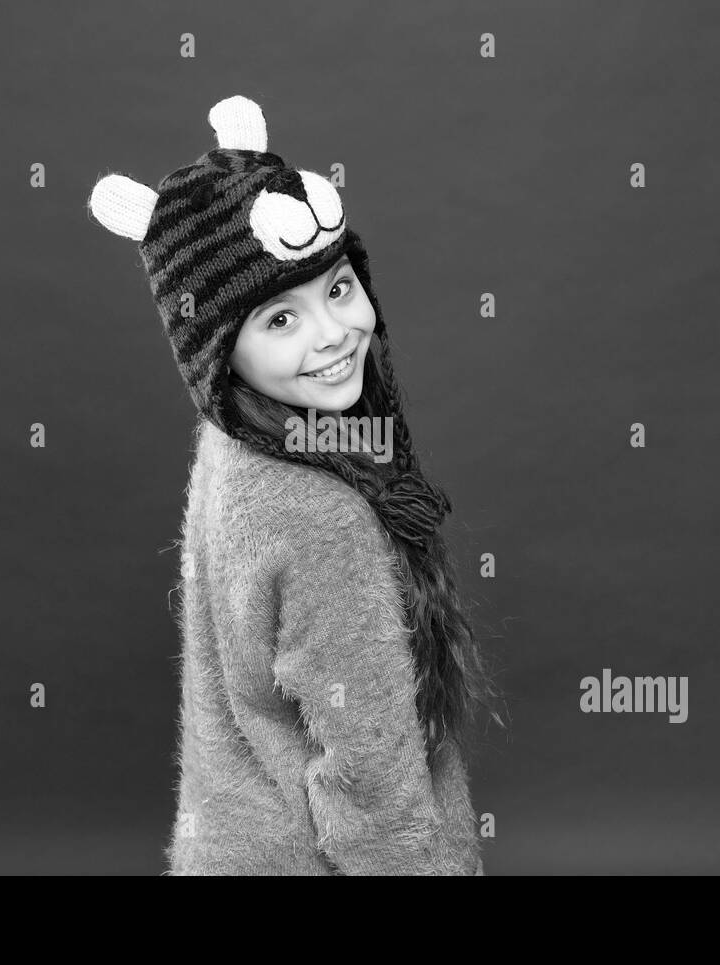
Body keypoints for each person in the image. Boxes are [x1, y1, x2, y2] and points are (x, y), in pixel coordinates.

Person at [89, 94, 505, 875]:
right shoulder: (320, 512)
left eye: (338, 289)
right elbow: (373, 786)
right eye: (280, 319)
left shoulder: (234, 448)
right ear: (218, 355)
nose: (333, 333)